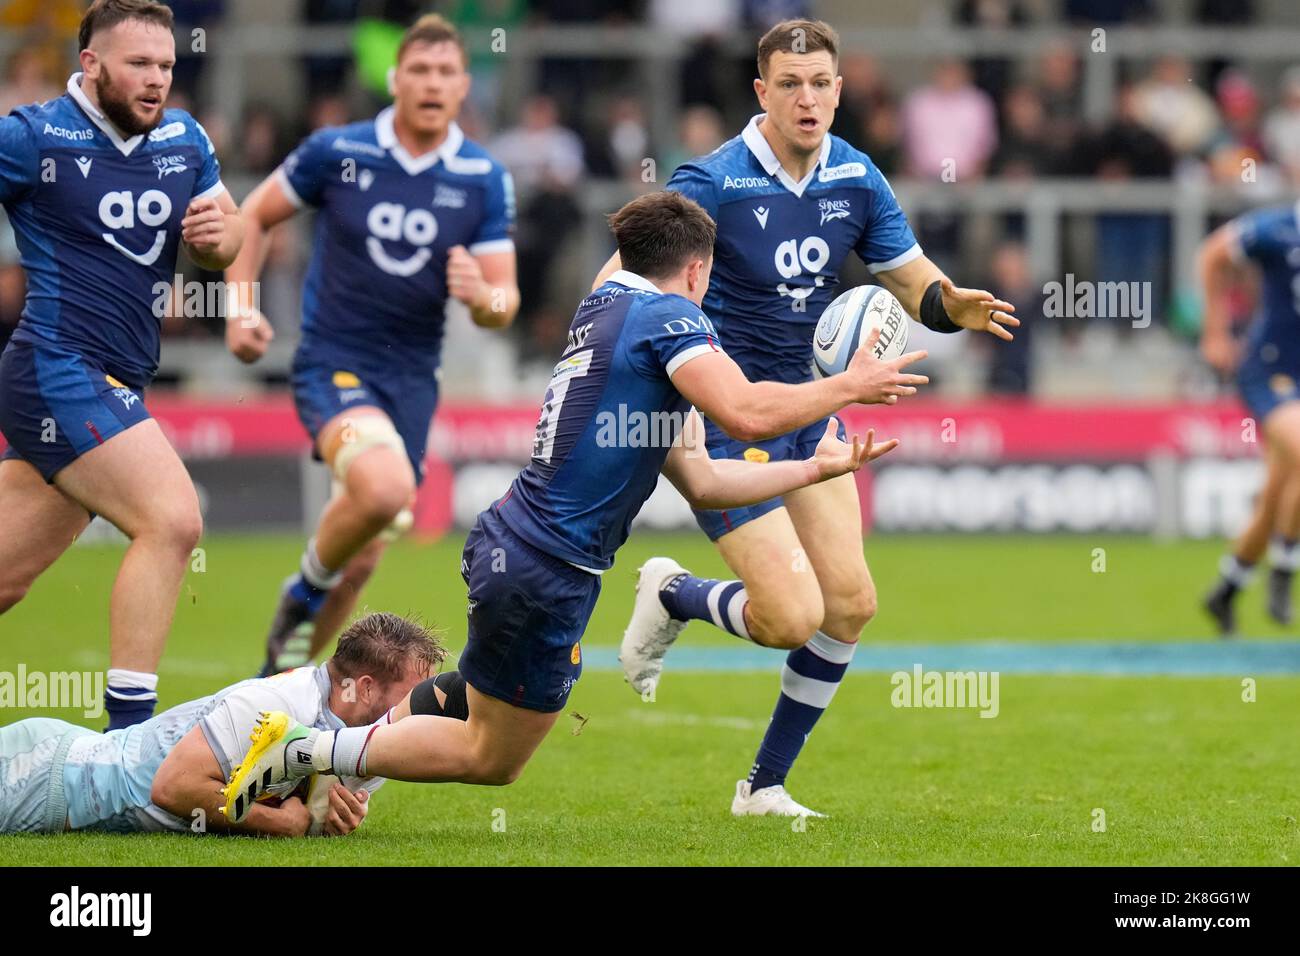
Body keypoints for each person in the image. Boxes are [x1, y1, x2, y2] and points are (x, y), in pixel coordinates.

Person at [216, 189, 928, 822]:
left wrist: (813, 467)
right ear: (698, 270)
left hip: (515, 544)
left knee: (479, 691)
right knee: (492, 757)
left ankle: (331, 759)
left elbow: (706, 480)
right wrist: (848, 386)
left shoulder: (607, 305)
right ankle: (312, 752)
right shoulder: (672, 322)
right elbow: (743, 411)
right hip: (547, 569)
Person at [599, 19, 1018, 817]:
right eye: (789, 84)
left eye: (821, 83)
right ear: (762, 92)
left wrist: (949, 302)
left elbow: (912, 278)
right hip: (726, 413)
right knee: (792, 618)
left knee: (851, 605)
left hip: (809, 409)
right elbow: (624, 276)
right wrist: (600, 354)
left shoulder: (858, 177)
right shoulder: (715, 179)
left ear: (838, 88)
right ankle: (676, 593)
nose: (808, 98)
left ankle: (762, 788)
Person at [224, 14, 519, 676]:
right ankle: (299, 591)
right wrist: (240, 310)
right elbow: (255, 215)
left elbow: (506, 301)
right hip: (335, 362)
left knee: (360, 562)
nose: (432, 83)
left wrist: (481, 298)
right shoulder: (339, 151)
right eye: (419, 69)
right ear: (395, 79)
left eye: (446, 72)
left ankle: (286, 686)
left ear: (464, 84)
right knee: (384, 490)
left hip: (412, 383)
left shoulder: (482, 176)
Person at [0, 0, 243, 728]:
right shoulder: (31, 136)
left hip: (112, 378)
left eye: (166, 65)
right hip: (56, 365)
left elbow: (225, 242)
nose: (157, 79)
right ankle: (130, 736)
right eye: (139, 63)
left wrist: (217, 237)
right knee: (173, 520)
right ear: (92, 64)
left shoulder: (184, 136)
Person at [0, 612, 440, 835]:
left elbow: (296, 800)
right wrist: (279, 825)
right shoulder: (276, 703)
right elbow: (172, 787)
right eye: (411, 695)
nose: (416, 710)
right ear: (363, 688)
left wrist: (332, 813)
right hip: (50, 776)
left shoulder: (375, 740)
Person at [1200, 202, 1300, 634]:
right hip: (1271, 369)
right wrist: (1216, 331)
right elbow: (1212, 255)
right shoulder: (1276, 229)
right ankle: (1285, 565)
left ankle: (1227, 587)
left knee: (1279, 488)